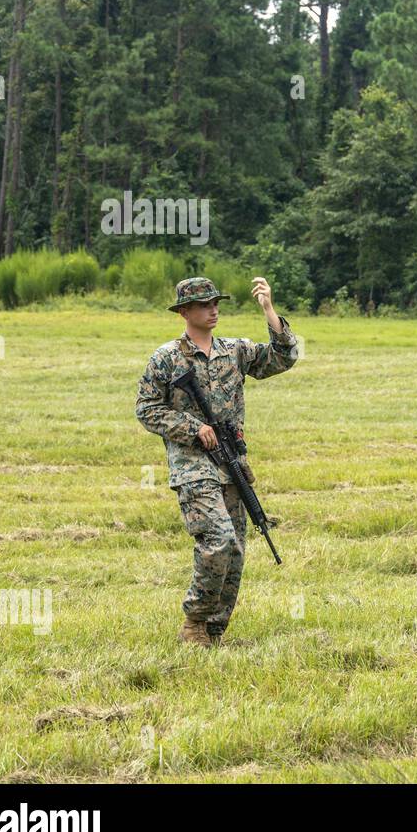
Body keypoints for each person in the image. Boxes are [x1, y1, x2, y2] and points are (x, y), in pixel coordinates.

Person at [135, 276, 299, 646]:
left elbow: (283, 357)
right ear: (184, 312)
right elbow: (146, 409)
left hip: (231, 465)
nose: (213, 309)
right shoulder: (166, 358)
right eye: (205, 304)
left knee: (236, 551)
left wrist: (268, 309)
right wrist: (192, 428)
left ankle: (213, 631)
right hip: (193, 465)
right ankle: (194, 622)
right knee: (219, 539)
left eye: (216, 303)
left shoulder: (234, 350)